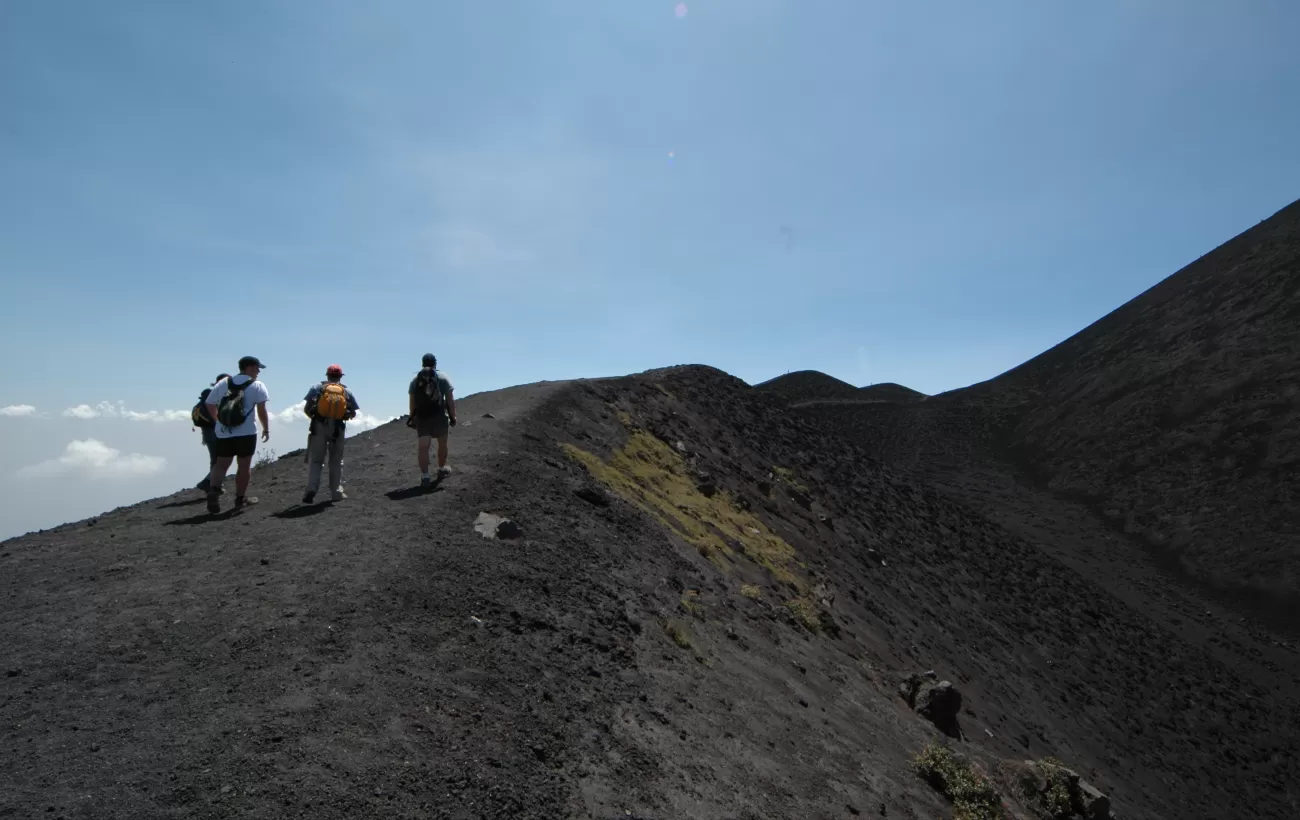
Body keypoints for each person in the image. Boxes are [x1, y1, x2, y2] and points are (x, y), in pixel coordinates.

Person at [204, 356, 270, 513]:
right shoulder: (257, 385)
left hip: (224, 432)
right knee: (244, 465)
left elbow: (209, 403)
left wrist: (218, 420)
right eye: (257, 368)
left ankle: (213, 492)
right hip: (246, 433)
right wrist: (266, 428)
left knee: (221, 464)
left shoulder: (224, 383)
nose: (259, 371)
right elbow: (261, 410)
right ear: (250, 367)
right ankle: (240, 499)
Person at [301, 363, 359, 504]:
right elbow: (353, 412)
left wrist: (317, 419)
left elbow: (307, 408)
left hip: (319, 427)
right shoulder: (346, 391)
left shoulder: (317, 388)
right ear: (340, 376)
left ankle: (312, 488)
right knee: (336, 461)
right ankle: (336, 492)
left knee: (316, 460)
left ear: (327, 375)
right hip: (338, 428)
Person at [406, 352, 456, 488]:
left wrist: (413, 418)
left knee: (423, 447)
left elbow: (412, 403)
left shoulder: (415, 380)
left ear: (422, 364)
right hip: (439, 416)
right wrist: (453, 416)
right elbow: (450, 400)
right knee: (442, 443)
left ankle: (425, 476)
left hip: (423, 418)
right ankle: (441, 468)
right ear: (435, 364)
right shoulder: (443, 377)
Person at [194, 373, 230, 495]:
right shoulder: (218, 396)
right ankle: (210, 483)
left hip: (207, 431)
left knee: (215, 458)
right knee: (221, 458)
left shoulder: (209, 394)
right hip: (216, 431)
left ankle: (213, 485)